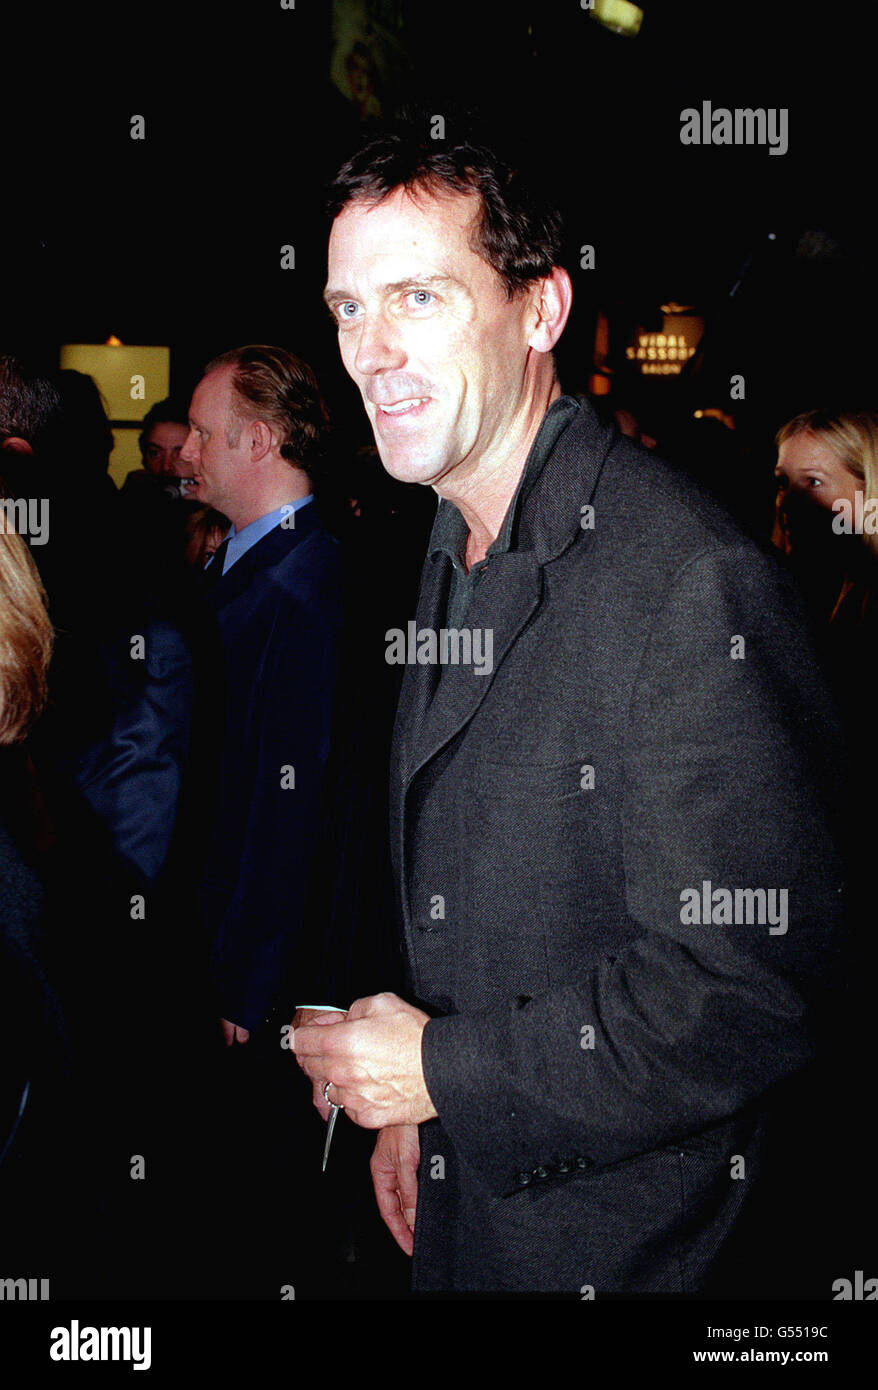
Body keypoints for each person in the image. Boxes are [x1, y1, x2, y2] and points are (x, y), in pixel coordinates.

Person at [291, 129, 851, 1294]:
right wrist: (420, 1111)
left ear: (539, 310)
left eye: (417, 298)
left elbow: (749, 986)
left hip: (636, 1245)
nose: (369, 353)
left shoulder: (687, 577)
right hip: (482, 1205)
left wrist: (443, 1071)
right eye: (348, 309)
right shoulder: (448, 536)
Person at [180, 344, 346, 1045]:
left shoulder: (311, 584)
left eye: (201, 433)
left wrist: (244, 983)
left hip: (234, 964)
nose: (186, 451)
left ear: (258, 440)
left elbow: (290, 799)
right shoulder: (243, 557)